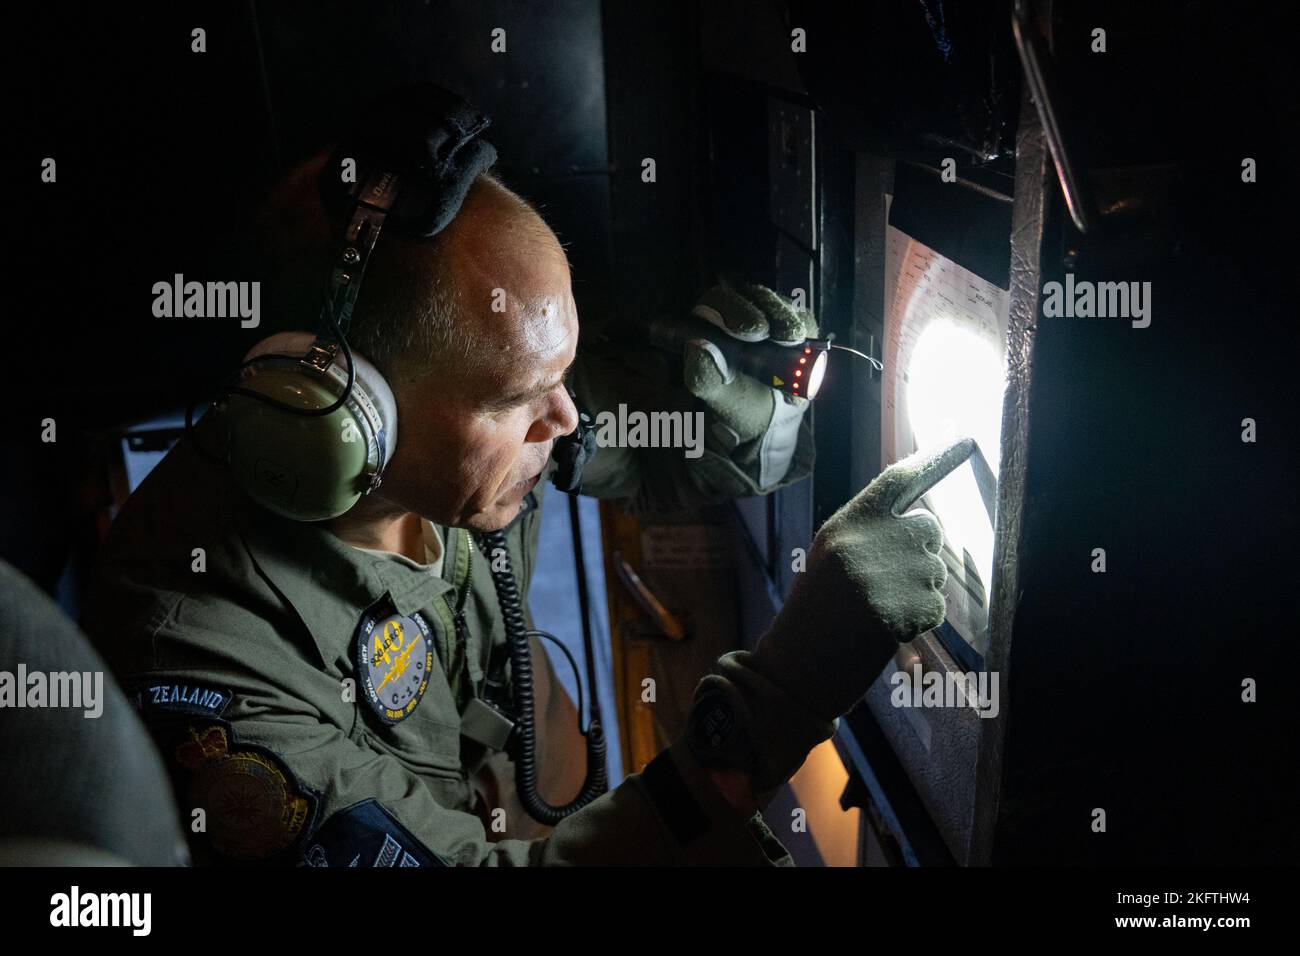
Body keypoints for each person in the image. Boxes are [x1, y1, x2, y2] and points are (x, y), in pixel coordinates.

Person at [85, 90, 964, 866]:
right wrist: (784, 696)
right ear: (343, 422)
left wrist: (747, 422)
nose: (568, 418)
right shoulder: (209, 683)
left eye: (562, 375)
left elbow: (658, 448)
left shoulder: (482, 419)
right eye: (520, 398)